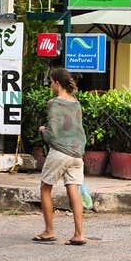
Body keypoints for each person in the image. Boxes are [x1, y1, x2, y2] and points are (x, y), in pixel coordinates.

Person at [34, 68, 86, 246]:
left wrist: (43, 132)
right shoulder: (76, 103)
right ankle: (79, 234)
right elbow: (75, 128)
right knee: (74, 191)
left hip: (60, 153)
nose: (50, 85)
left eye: (51, 82)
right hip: (77, 154)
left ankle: (49, 231)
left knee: (45, 187)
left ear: (57, 83)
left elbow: (54, 132)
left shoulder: (53, 103)